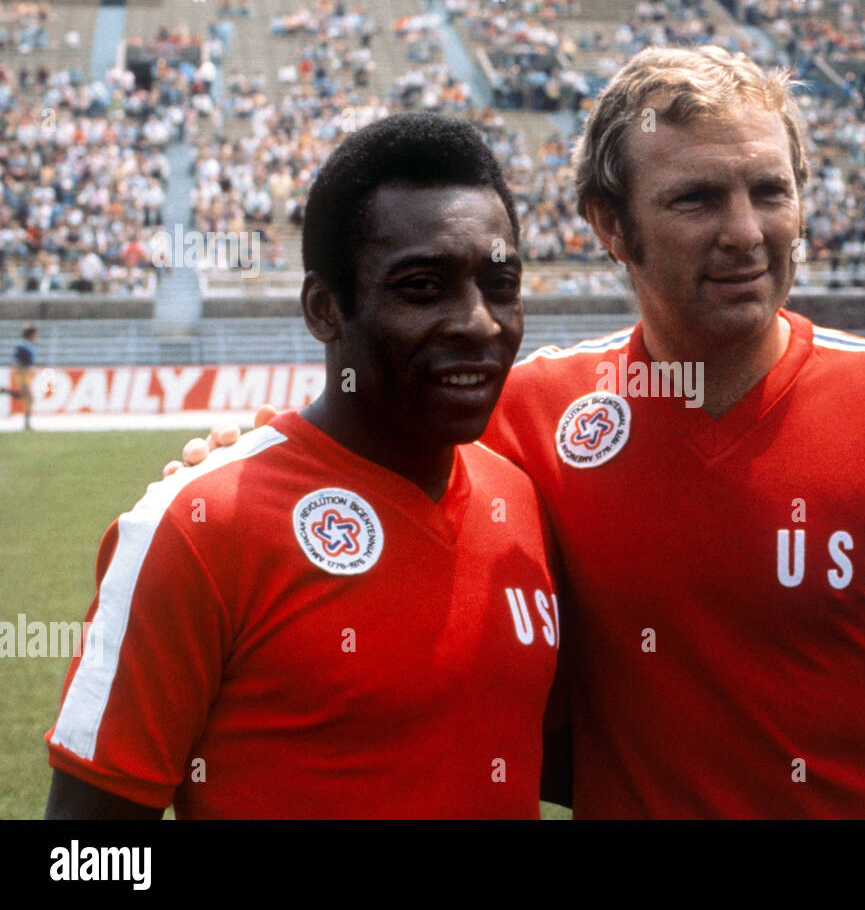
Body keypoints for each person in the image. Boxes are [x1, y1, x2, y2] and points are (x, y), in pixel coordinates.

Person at [174, 46, 865, 819]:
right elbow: (361, 469)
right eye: (696, 198)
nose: (745, 231)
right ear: (610, 225)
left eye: (770, 189)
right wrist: (236, 462)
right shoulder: (524, 417)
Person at [44, 113, 561, 819]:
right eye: (422, 287)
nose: (479, 320)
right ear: (325, 310)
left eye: (500, 283)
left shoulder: (522, 501)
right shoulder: (197, 527)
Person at [5, 324, 38, 430]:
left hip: (26, 375)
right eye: (35, 334)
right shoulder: (22, 346)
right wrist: (25, 368)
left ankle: (4, 391)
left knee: (23, 396)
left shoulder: (29, 346)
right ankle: (27, 424)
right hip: (21, 374)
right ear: (30, 335)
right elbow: (17, 360)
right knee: (30, 398)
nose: (37, 336)